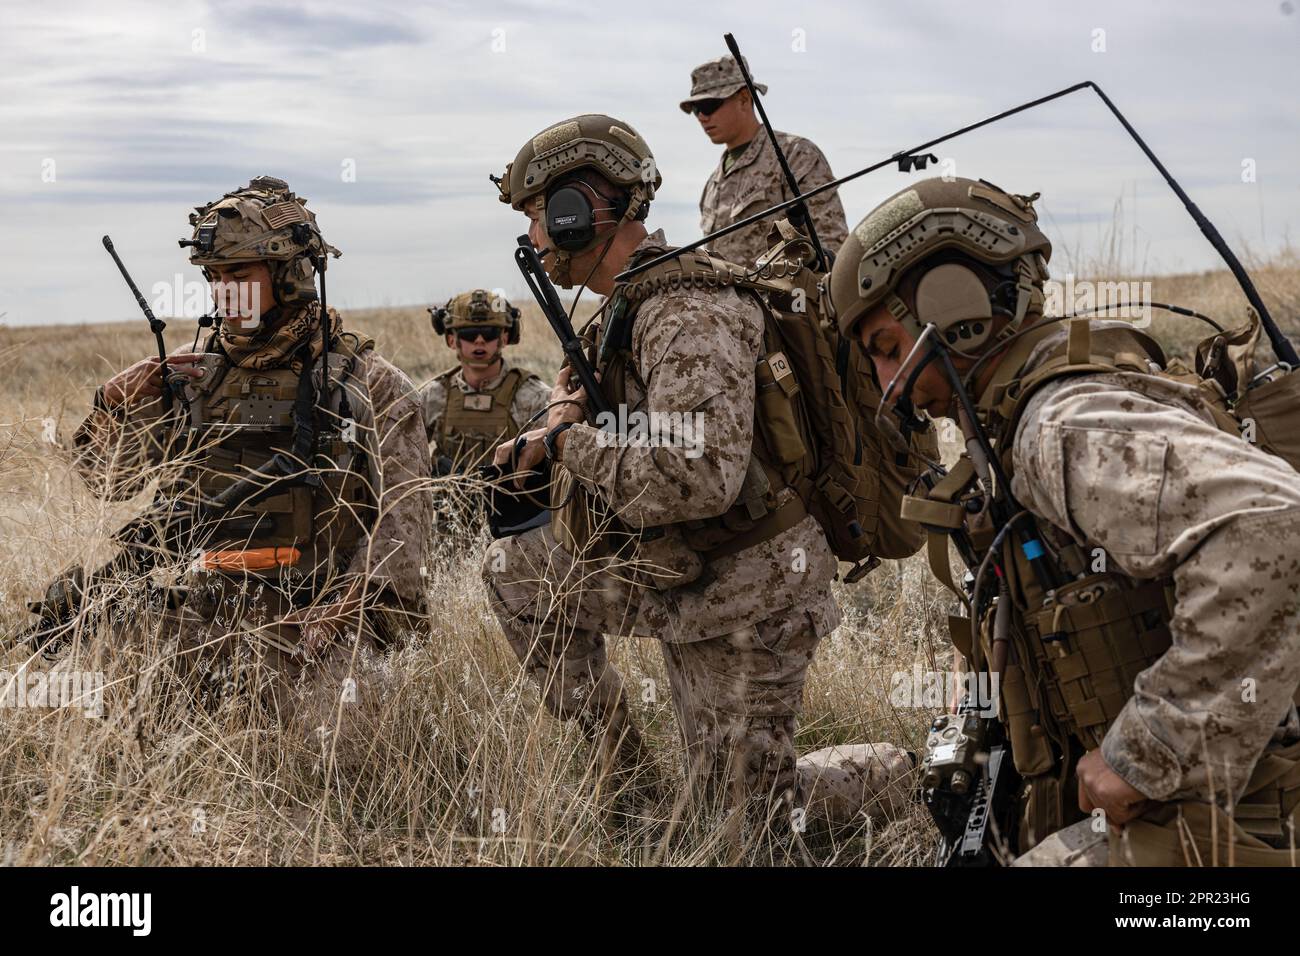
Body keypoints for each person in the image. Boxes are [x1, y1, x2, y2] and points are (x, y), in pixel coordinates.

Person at [827, 175, 1300, 866]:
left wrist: (1148, 750)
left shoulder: (1058, 422)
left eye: (886, 346)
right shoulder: (1014, 415)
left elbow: (1271, 523)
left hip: (1239, 806)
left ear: (953, 312)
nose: (884, 380)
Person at [484, 113, 916, 851]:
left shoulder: (686, 311)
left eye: (539, 215)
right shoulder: (622, 308)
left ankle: (904, 775)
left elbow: (697, 476)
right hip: (678, 568)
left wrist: (567, 442)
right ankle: (630, 783)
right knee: (514, 571)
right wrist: (552, 426)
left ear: (582, 210)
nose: (534, 237)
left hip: (751, 588)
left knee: (745, 838)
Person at [72, 176, 431, 712]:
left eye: (238, 273)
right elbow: (109, 482)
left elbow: (404, 535)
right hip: (211, 602)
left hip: (322, 612)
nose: (223, 291)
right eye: (214, 277)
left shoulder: (368, 383)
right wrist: (112, 403)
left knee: (332, 738)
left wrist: (339, 615)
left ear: (291, 275)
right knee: (108, 689)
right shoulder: (191, 377)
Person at [681, 55, 847, 268]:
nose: (702, 117)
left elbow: (832, 246)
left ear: (744, 98)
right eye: (696, 110)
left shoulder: (795, 156)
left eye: (709, 105)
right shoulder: (713, 184)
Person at [420, 289, 551, 474]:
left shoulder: (534, 397)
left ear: (504, 338)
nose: (479, 340)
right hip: (447, 501)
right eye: (469, 333)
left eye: (489, 333)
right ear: (451, 340)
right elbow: (402, 458)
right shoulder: (433, 395)